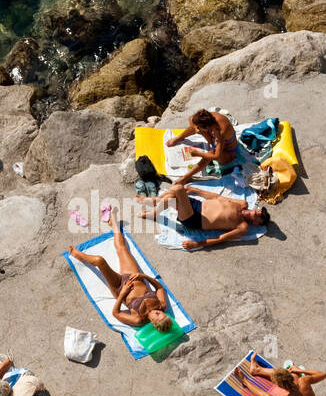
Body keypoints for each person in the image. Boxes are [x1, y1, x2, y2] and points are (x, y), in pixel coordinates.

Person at [68, 219, 175, 332]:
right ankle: (114, 225)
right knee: (122, 247)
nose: (160, 312)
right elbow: (160, 287)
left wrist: (123, 292)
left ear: (154, 323)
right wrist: (143, 276)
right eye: (163, 314)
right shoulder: (161, 305)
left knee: (99, 261)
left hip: (119, 287)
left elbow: (116, 313)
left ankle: (80, 256)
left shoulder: (138, 319)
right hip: (134, 276)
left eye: (159, 316)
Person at [137, 181, 269, 250]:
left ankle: (154, 202)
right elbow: (217, 197)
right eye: (260, 210)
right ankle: (155, 212)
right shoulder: (243, 203)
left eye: (260, 215)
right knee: (174, 193)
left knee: (177, 190)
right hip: (196, 204)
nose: (258, 211)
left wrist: (198, 244)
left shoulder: (243, 227)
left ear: (257, 223)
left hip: (194, 219)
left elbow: (221, 238)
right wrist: (196, 190)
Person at [167, 109, 238, 184]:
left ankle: (185, 178)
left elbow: (217, 156)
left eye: (199, 128)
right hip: (213, 139)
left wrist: (198, 154)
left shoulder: (220, 132)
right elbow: (192, 119)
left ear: (207, 127)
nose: (197, 131)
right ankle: (180, 137)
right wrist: (203, 133)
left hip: (228, 152)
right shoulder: (208, 117)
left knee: (210, 154)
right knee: (193, 121)